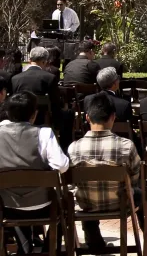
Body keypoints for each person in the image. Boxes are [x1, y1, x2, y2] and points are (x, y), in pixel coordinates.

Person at [68, 92, 147, 251]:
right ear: (113, 117)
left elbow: (72, 181)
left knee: (86, 191)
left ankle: (94, 242)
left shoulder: (74, 148)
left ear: (87, 118)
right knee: (141, 193)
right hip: (120, 202)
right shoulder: (126, 146)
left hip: (87, 204)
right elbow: (135, 176)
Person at [0, 92, 70, 254]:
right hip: (43, 205)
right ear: (34, 114)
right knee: (65, 205)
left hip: (7, 206)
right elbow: (62, 165)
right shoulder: (44, 133)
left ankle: (24, 247)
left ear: (8, 113)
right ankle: (49, 248)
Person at [12, 47, 67, 139]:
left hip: (19, 119)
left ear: (30, 60)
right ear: (44, 61)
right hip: (43, 121)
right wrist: (57, 125)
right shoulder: (50, 78)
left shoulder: (15, 79)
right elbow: (55, 103)